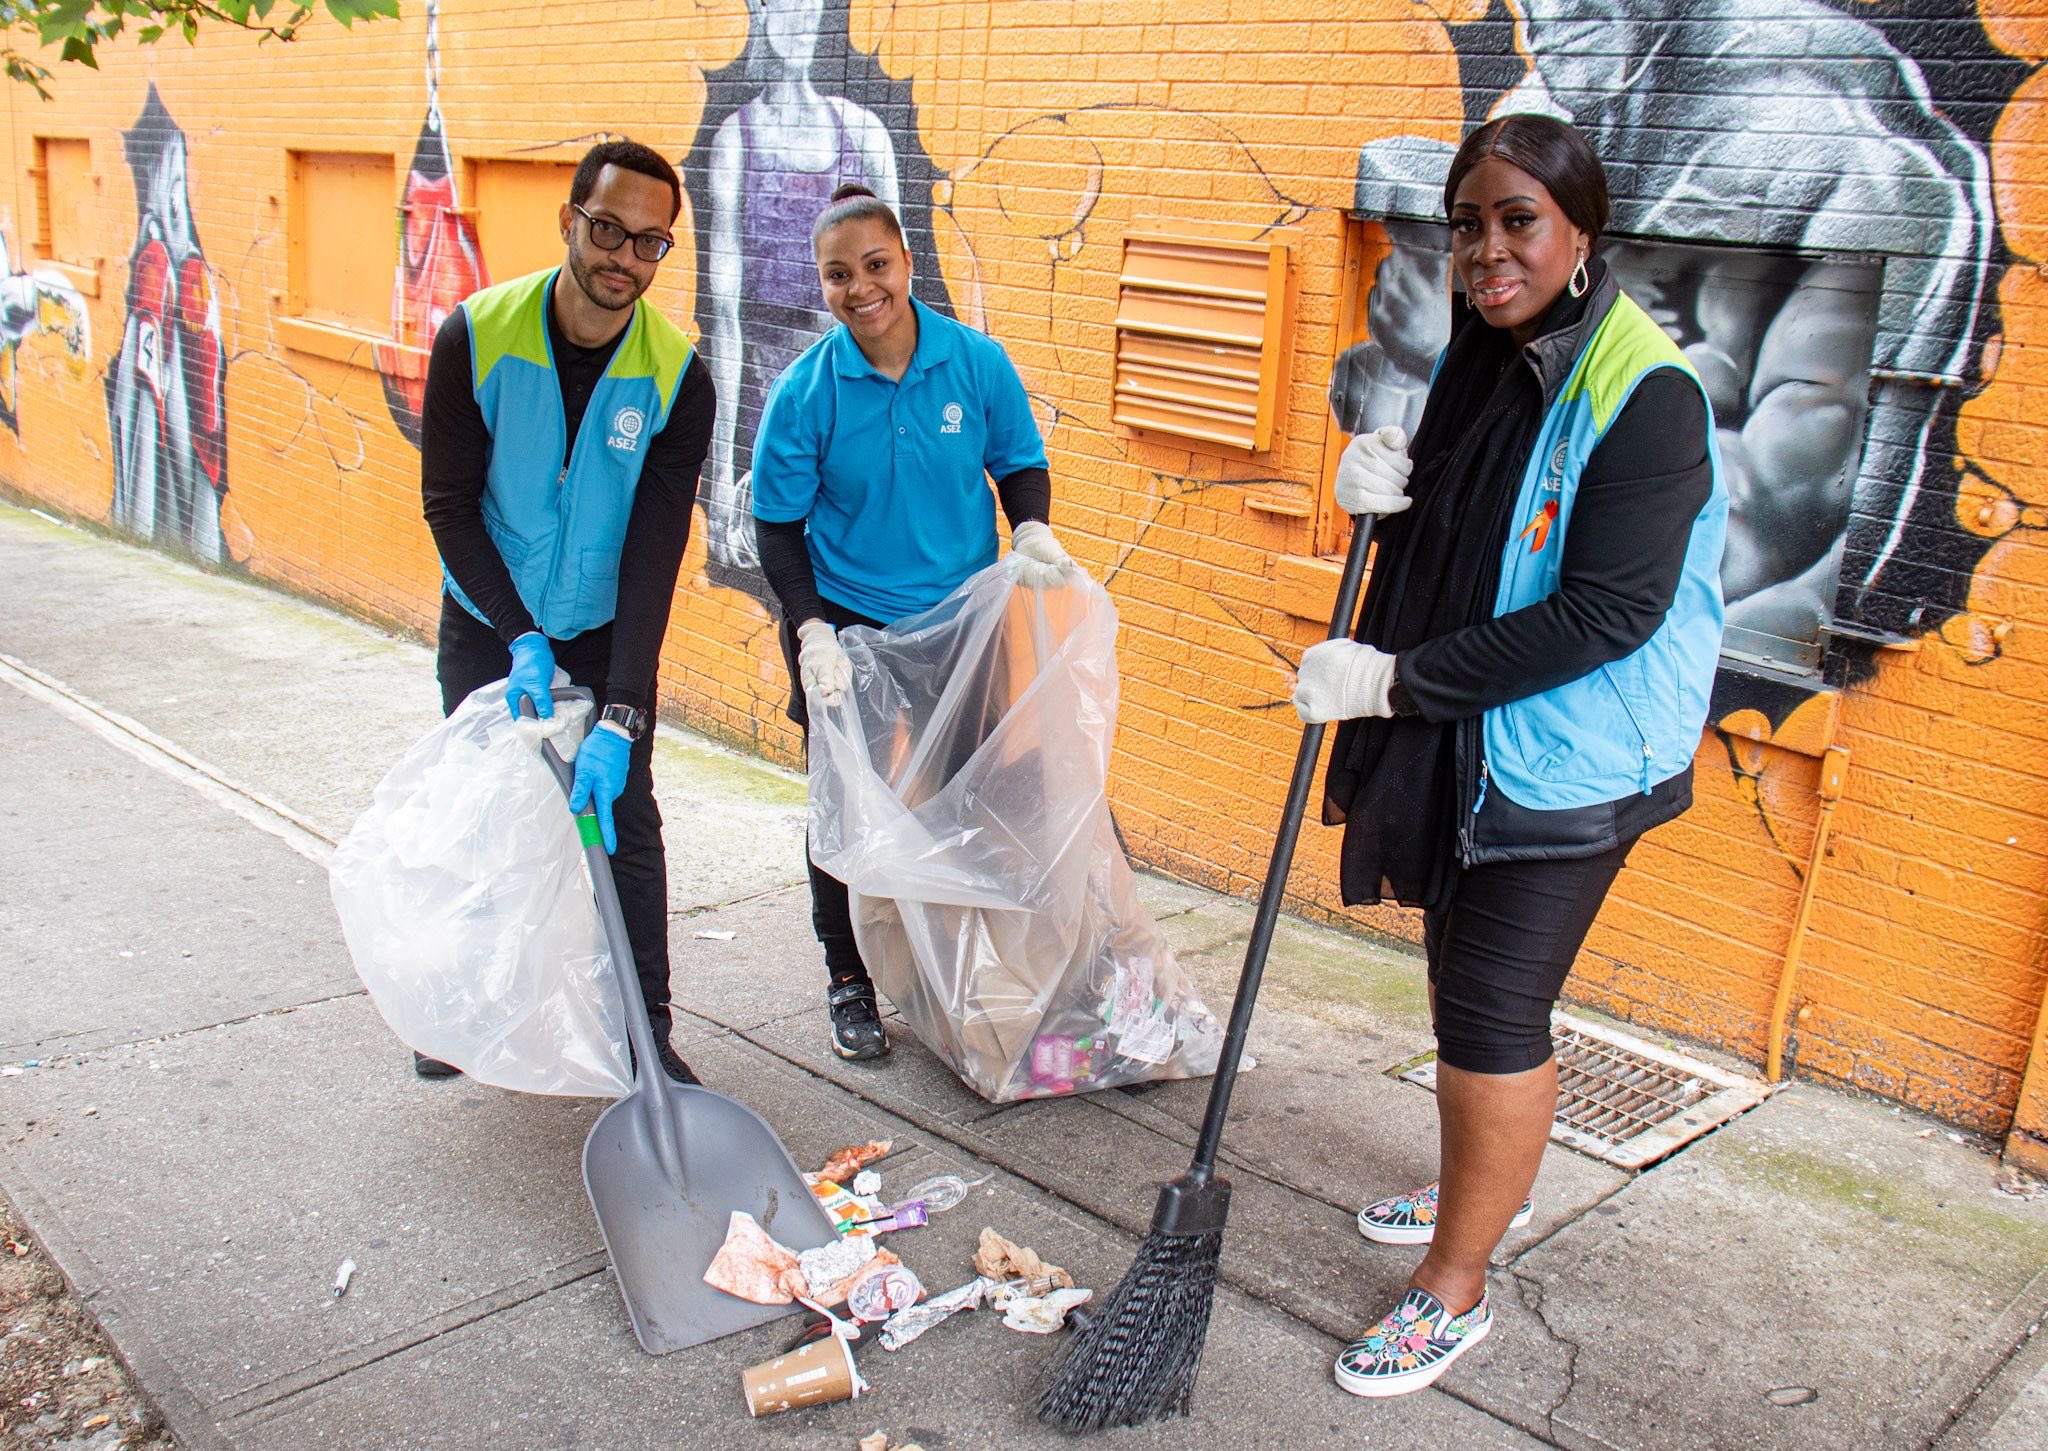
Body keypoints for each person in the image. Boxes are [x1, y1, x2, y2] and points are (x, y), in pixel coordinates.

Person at [1292, 114, 1725, 1397]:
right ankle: (1481, 1182)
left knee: (1488, 1011)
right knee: (1457, 981)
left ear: (1579, 227)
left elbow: (1605, 612)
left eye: (1516, 220)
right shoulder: (1493, 349)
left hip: (1570, 763)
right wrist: (1395, 480)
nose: (1485, 249)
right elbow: (1474, 500)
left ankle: (1454, 1282)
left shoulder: (1647, 394)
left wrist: (1391, 680)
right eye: (1467, 222)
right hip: (1479, 736)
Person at [751, 182, 1078, 1062]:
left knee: (985, 796)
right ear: (821, 285)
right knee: (847, 808)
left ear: (905, 261)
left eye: (875, 265)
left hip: (960, 626)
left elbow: (1018, 462)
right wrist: (812, 631)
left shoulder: (974, 362)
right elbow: (776, 526)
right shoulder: (806, 391)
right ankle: (850, 978)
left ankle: (980, 970)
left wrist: (1033, 527)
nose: (861, 288)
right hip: (847, 629)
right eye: (837, 274)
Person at [418, 139, 715, 1084]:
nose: (623, 258)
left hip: (600, 625)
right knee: (486, 816)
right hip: (491, 621)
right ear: (570, 222)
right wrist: (518, 636)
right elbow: (449, 506)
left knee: (625, 825)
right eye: (608, 229)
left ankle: (646, 1039)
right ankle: (455, 1018)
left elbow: (654, 554)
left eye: (649, 243)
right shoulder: (477, 333)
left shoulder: (679, 378)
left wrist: (624, 707)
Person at [698, 0, 901, 585]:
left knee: (863, 582)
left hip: (858, 405)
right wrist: (721, 485)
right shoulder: (737, 142)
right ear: (758, 14)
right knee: (796, 591)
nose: (799, 23)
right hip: (774, 410)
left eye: (809, 8)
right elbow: (726, 323)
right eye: (783, 9)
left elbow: (900, 307)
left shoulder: (863, 131)